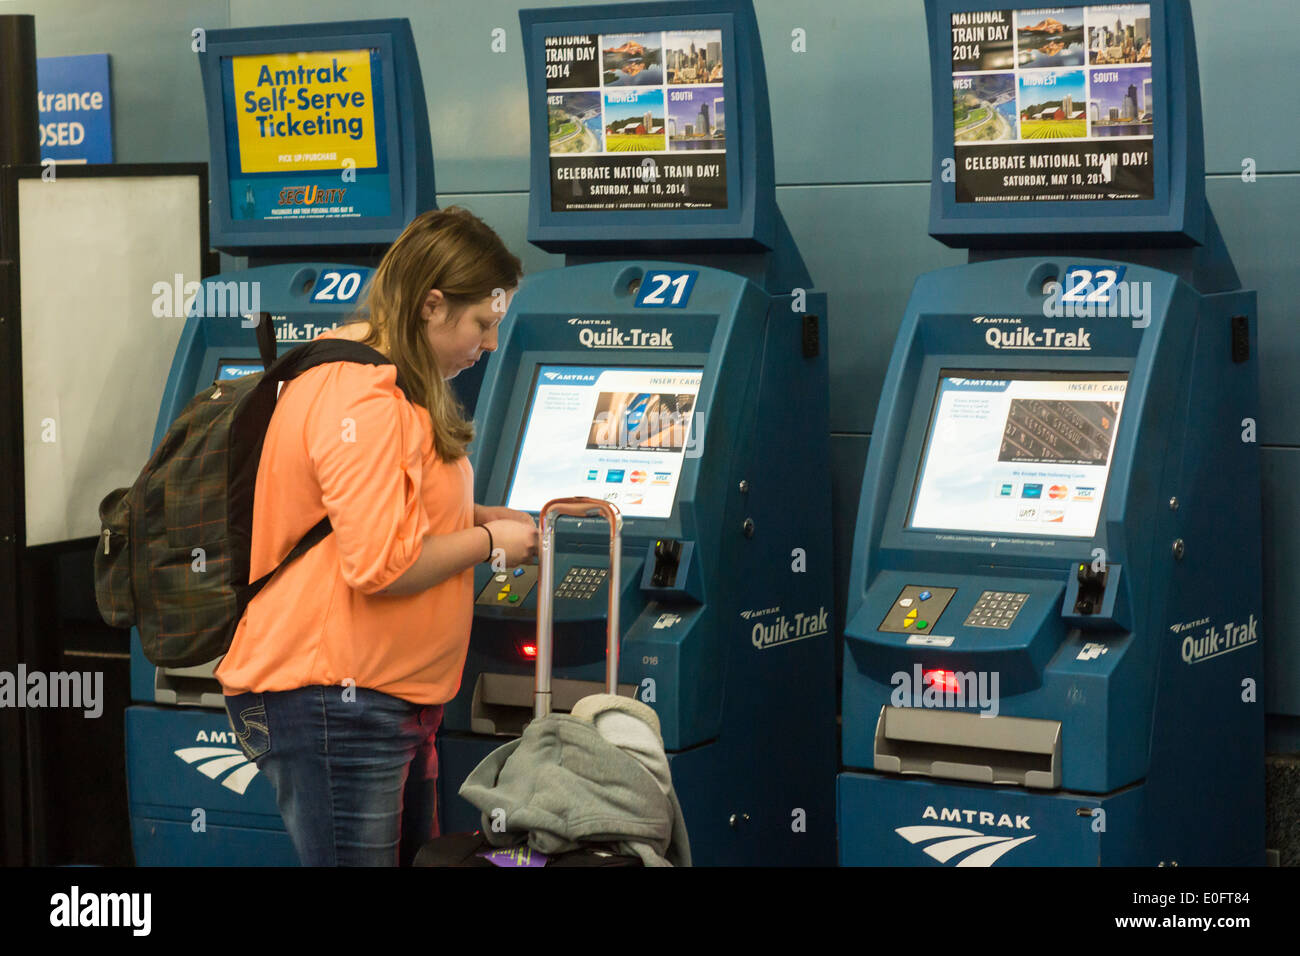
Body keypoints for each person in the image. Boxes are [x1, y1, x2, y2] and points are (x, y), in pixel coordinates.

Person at [216, 207, 539, 866]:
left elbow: (374, 510)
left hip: (379, 701)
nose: (491, 343)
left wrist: (473, 516)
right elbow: (382, 566)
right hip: (337, 703)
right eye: (483, 323)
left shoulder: (377, 371)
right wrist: (491, 546)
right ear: (432, 305)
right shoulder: (362, 396)